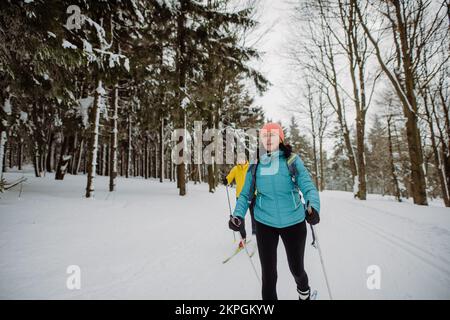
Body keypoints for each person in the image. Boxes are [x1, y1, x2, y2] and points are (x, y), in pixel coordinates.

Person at [228, 122, 320, 300]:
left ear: (281, 138)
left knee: (297, 269)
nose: (268, 139)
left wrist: (313, 207)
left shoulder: (292, 160)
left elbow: (307, 186)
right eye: (264, 135)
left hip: (294, 221)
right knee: (268, 275)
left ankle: (304, 293)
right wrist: (238, 215)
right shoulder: (255, 164)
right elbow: (245, 194)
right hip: (265, 223)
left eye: (272, 135)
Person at [223, 159, 256, 241]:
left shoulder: (250, 167)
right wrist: (226, 180)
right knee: (239, 218)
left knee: (254, 215)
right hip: (240, 197)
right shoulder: (235, 169)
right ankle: (243, 238)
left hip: (252, 195)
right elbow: (229, 177)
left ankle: (256, 234)